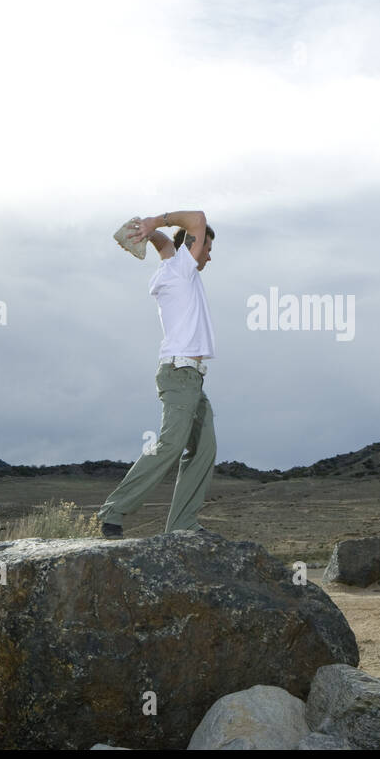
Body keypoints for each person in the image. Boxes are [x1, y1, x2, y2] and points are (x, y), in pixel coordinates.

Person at [92, 211, 217, 539]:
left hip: (190, 378)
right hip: (179, 373)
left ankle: (182, 524)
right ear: (192, 247)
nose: (208, 253)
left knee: (204, 448)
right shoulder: (182, 269)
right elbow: (197, 218)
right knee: (170, 445)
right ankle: (114, 510)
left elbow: (165, 244)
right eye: (206, 247)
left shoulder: (173, 268)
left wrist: (149, 236)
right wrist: (153, 222)